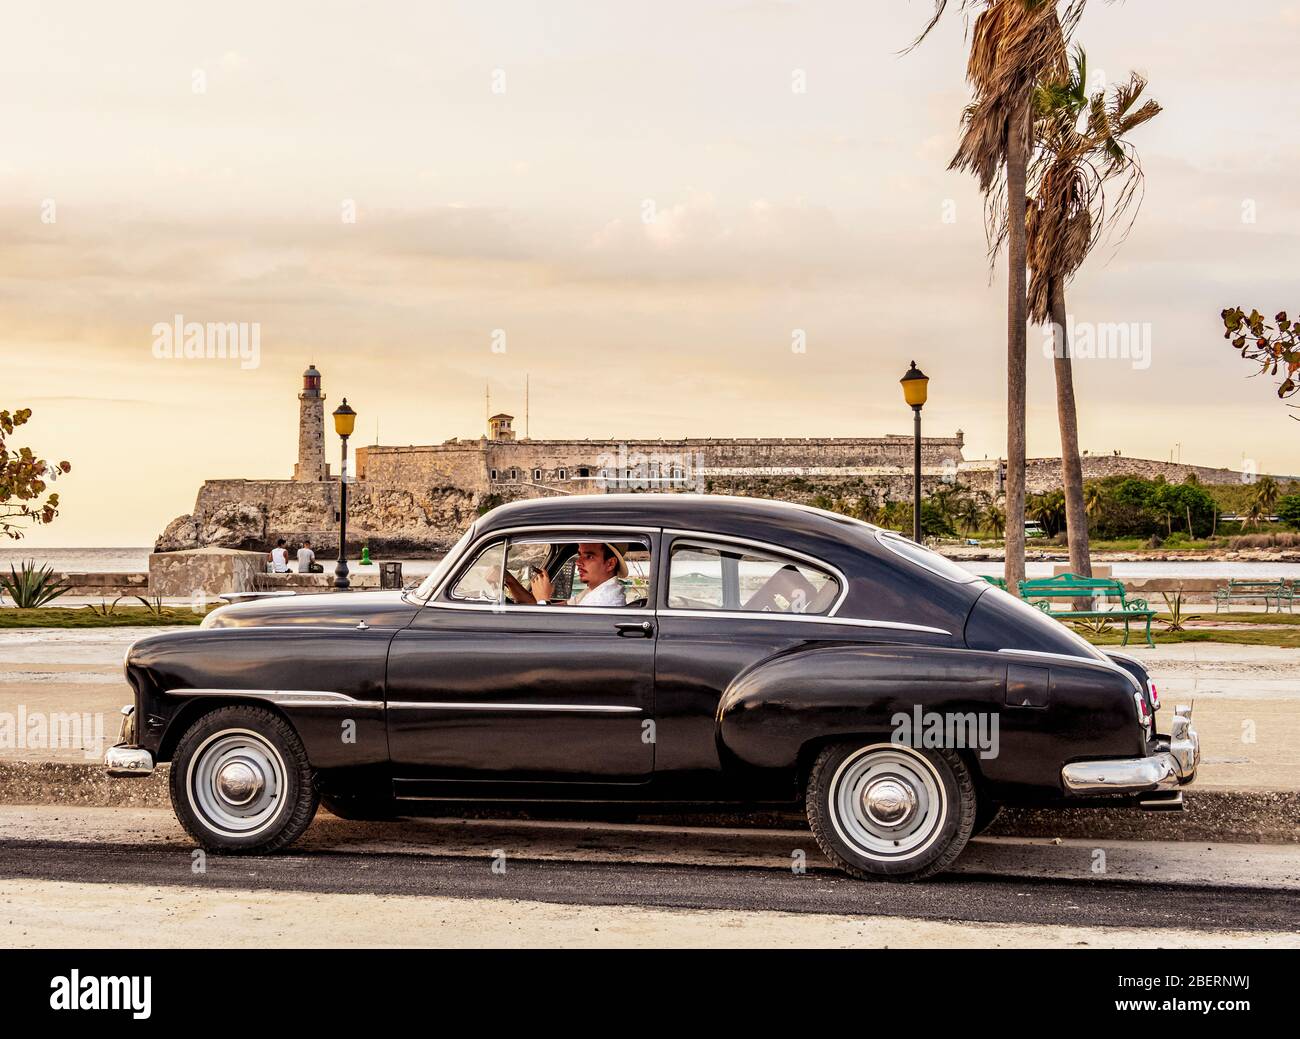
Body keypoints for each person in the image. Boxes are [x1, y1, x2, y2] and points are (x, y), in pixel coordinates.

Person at [505, 542, 628, 607]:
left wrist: (543, 600)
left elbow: (551, 634)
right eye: (579, 555)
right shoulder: (594, 591)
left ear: (610, 564)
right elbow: (551, 609)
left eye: (589, 556)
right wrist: (509, 580)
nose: (578, 562)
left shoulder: (603, 600)